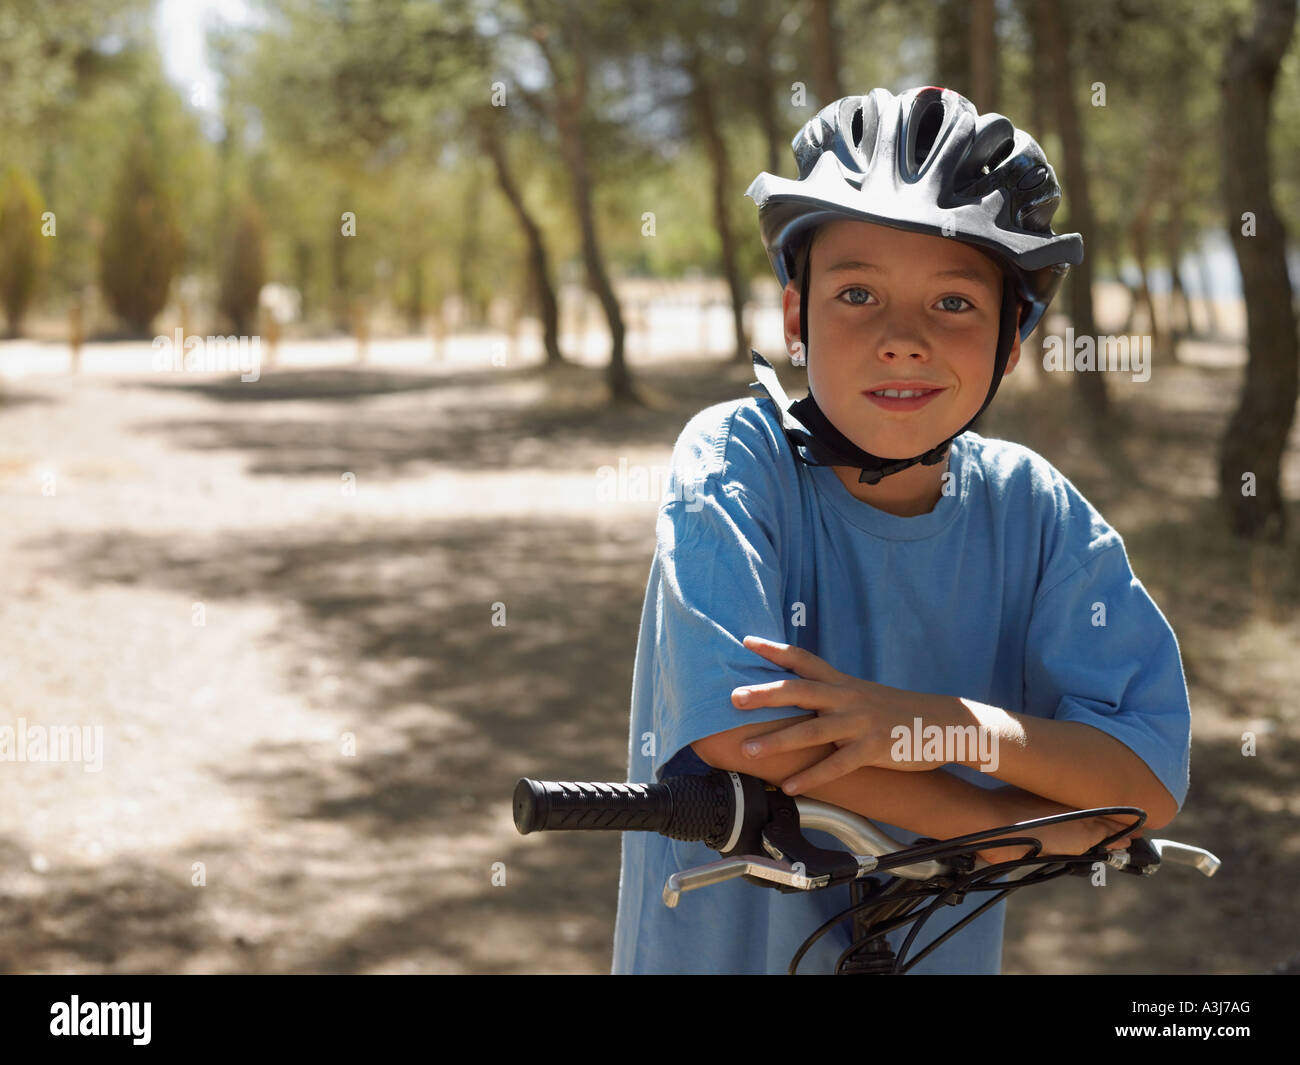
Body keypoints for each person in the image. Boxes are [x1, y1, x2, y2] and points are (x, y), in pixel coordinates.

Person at [611, 86, 1191, 974]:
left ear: (1010, 341)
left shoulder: (1033, 511)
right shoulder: (736, 460)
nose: (902, 339)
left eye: (954, 304)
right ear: (797, 317)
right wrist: (1002, 832)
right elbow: (746, 736)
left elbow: (1144, 784)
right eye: (857, 293)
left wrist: (926, 725)